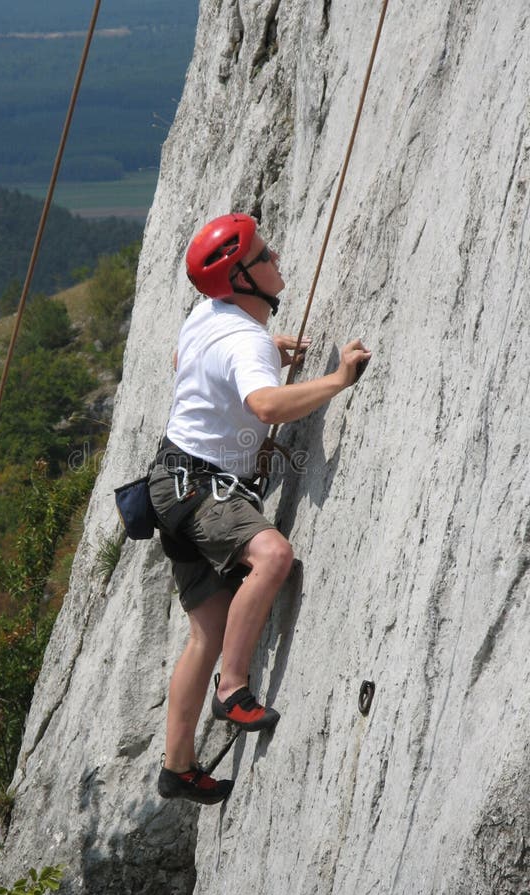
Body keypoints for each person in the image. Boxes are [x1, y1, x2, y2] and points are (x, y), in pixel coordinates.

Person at [150, 213, 371, 804]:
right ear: (243, 278)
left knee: (206, 628)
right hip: (203, 488)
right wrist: (336, 380)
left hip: (170, 482)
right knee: (272, 555)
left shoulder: (209, 316)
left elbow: (185, 363)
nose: (277, 259)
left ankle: (177, 767)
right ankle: (234, 688)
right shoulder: (243, 340)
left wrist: (264, 349)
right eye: (265, 254)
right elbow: (269, 406)